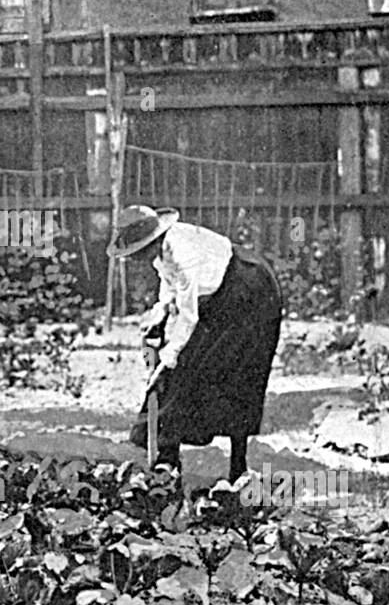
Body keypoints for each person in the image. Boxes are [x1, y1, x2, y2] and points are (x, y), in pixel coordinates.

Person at [111, 205, 282, 486]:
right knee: (186, 371)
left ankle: (238, 468)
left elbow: (189, 315)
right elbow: (171, 286)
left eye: (136, 253)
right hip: (219, 292)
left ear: (151, 241)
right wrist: (160, 313)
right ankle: (168, 460)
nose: (134, 260)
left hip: (251, 289)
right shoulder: (162, 252)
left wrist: (169, 356)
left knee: (235, 373)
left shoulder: (183, 251)